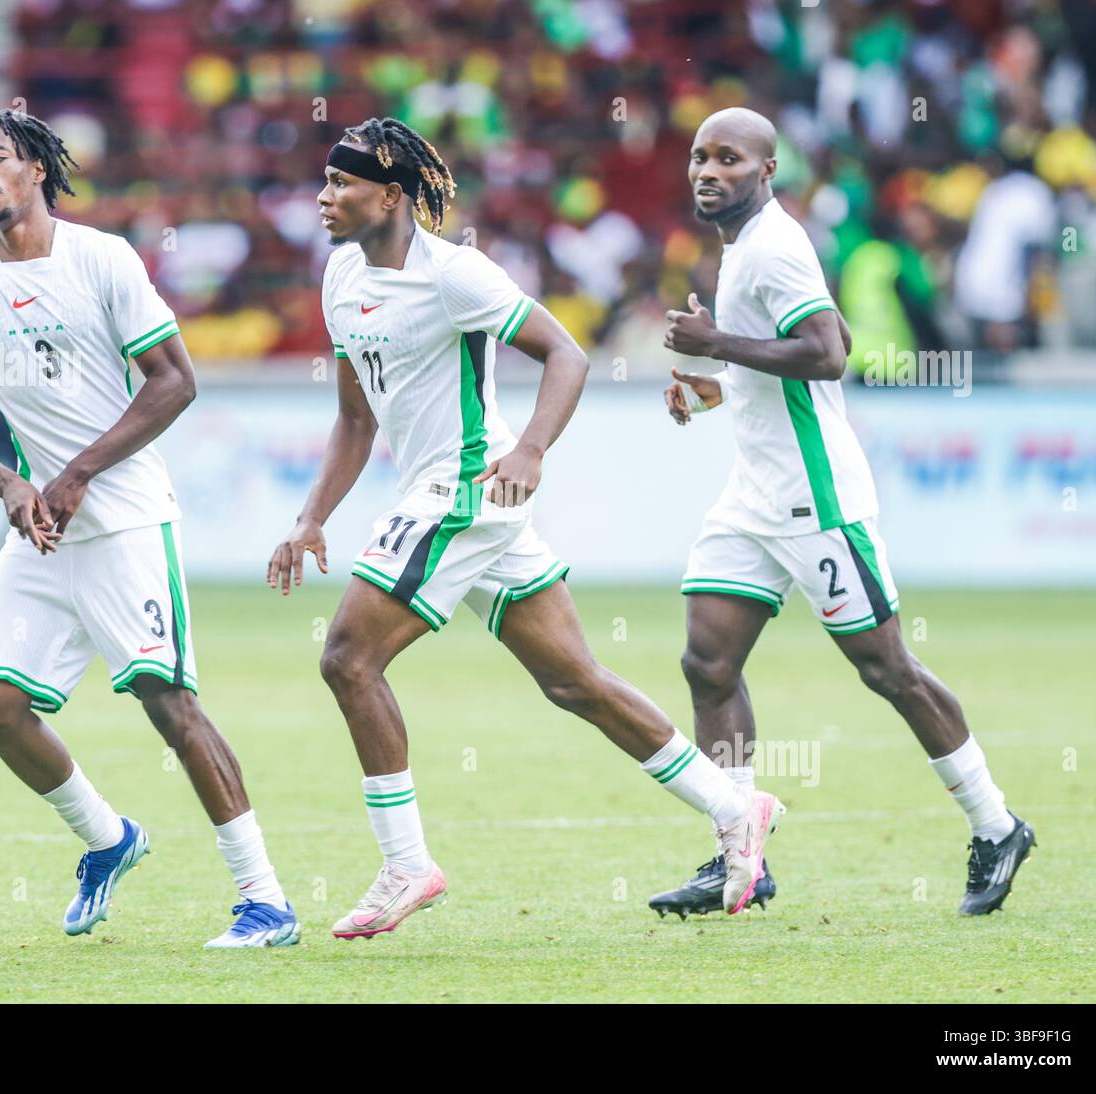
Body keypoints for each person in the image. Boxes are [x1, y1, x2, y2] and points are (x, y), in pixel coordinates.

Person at [268, 116, 783, 939]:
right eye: (325, 183)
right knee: (574, 681)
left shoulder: (455, 274)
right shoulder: (339, 278)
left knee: (347, 657)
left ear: (391, 196)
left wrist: (533, 450)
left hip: (467, 489)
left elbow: (567, 355)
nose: (324, 199)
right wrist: (310, 517)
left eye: (342, 184)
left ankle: (406, 865)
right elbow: (354, 421)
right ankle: (733, 808)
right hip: (456, 499)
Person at [0, 108, 297, 949]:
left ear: (37, 172)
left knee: (170, 704)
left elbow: (174, 381)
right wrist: (8, 482)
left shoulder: (103, 258)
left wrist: (79, 471)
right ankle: (109, 839)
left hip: (122, 517)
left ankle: (266, 899)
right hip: (42, 525)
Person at [656, 107, 1034, 918]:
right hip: (752, 493)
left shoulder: (778, 245)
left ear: (766, 171)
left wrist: (715, 344)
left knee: (886, 669)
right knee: (707, 663)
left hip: (816, 498)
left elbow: (831, 352)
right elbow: (776, 374)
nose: (708, 171)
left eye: (729, 158)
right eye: (699, 157)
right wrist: (710, 388)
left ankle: (996, 823)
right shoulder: (739, 249)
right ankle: (739, 855)